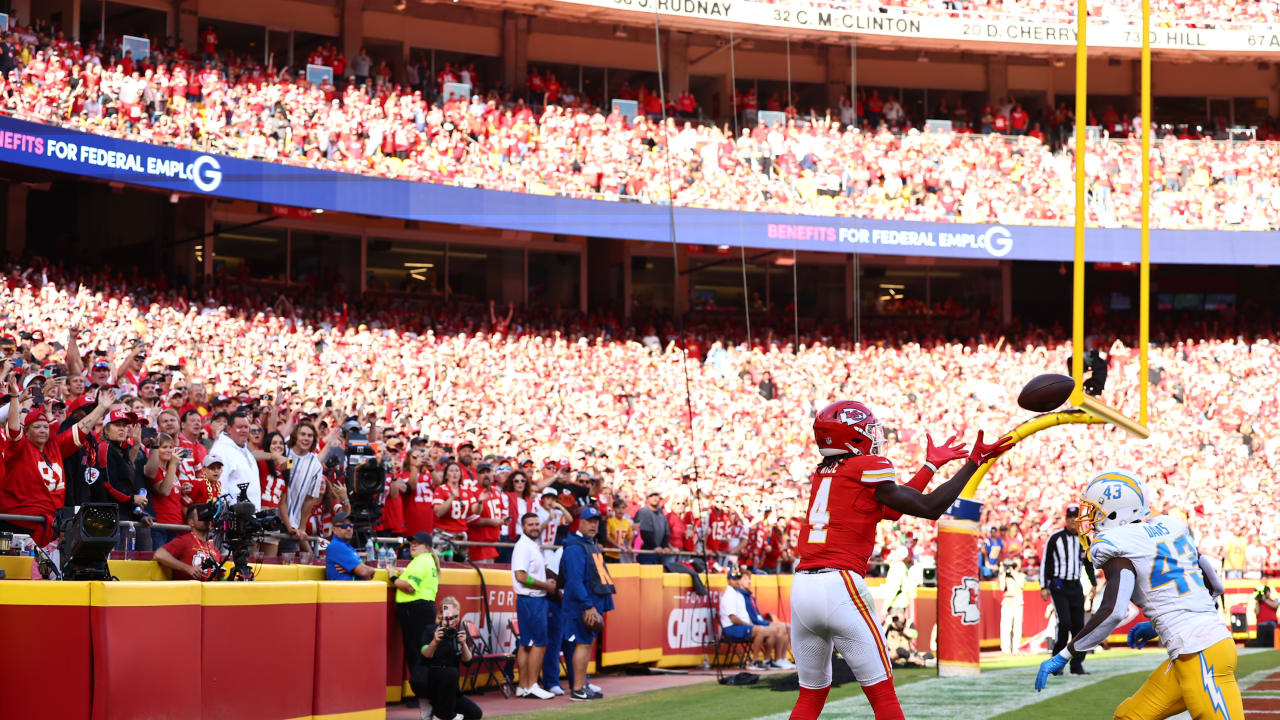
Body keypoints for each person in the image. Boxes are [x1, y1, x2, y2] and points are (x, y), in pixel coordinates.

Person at [788, 401, 1011, 720]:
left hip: (803, 587)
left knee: (810, 696)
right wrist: (973, 462)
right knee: (883, 695)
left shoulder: (824, 475)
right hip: (839, 586)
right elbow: (930, 507)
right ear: (854, 436)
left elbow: (892, 508)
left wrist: (931, 467)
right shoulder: (865, 467)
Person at [1035, 469, 1244, 720]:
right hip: (1200, 648)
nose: (1089, 519)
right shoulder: (1171, 526)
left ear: (1115, 511)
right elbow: (1214, 586)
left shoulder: (1117, 544)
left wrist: (1065, 654)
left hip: (1200, 653)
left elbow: (1113, 612)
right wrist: (1160, 623)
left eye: (1095, 511)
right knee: (1130, 716)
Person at [559, 506, 614, 701]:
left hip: (591, 602)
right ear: (579, 522)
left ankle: (583, 686)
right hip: (581, 605)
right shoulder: (576, 548)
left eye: (596, 521)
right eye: (589, 521)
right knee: (582, 645)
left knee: (586, 645)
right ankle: (577, 689)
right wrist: (587, 605)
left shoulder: (589, 544)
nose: (593, 524)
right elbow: (573, 581)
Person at [1039, 504, 1098, 675]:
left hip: (1075, 585)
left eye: (1076, 517)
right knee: (1064, 623)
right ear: (1066, 519)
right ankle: (1056, 664)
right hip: (1059, 586)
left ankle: (1077, 664)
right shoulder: (1055, 538)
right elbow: (1046, 563)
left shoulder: (1084, 539)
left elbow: (1089, 564)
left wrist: (1093, 584)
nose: (1073, 520)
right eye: (1070, 517)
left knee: (1079, 628)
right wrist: (1044, 586)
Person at [411, 596, 482, 720]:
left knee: (475, 713)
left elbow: (468, 662)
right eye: (449, 617)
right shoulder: (430, 631)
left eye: (456, 616)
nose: (453, 620)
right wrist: (435, 641)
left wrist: (464, 644)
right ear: (440, 615)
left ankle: (441, 714)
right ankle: (441, 714)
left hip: (450, 688)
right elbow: (425, 656)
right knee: (451, 673)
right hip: (429, 682)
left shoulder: (458, 634)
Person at [512, 512, 557, 699]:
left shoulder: (531, 545)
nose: (535, 527)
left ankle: (523, 685)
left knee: (526, 644)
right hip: (531, 599)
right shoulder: (523, 546)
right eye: (530, 524)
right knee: (538, 643)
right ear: (523, 527)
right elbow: (521, 576)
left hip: (531, 600)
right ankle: (532, 684)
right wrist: (546, 585)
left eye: (537, 524)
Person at [393, 531, 441, 689]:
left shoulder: (421, 561)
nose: (412, 545)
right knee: (422, 651)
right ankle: (426, 691)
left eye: (417, 543)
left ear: (427, 547)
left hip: (415, 610)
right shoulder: (426, 561)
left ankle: (422, 691)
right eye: (411, 542)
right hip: (422, 609)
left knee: (415, 653)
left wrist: (393, 578)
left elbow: (410, 587)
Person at [720, 567, 783, 669]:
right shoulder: (729, 595)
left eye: (738, 578)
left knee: (770, 631)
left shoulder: (738, 595)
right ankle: (755, 661)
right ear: (729, 581)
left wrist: (750, 624)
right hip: (730, 628)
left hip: (740, 626)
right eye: (734, 579)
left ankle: (767, 661)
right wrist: (750, 625)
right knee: (759, 630)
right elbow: (733, 618)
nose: (736, 581)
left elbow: (744, 615)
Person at [153, 501, 223, 580]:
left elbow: (221, 577)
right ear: (191, 522)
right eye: (201, 514)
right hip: (188, 590)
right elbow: (159, 554)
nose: (205, 518)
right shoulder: (184, 541)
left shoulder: (214, 547)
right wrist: (188, 568)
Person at [325, 511, 376, 581]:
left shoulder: (348, 547)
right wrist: (371, 570)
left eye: (351, 525)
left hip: (353, 590)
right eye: (344, 526)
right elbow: (364, 572)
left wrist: (352, 570)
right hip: (343, 591)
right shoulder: (337, 546)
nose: (349, 528)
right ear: (334, 529)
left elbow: (367, 576)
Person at [633, 489, 670, 565]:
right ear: (647, 499)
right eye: (652, 496)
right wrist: (654, 546)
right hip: (646, 551)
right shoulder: (644, 511)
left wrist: (665, 546)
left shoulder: (661, 513)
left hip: (658, 551)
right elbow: (644, 532)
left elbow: (666, 533)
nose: (655, 498)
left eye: (656, 496)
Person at [1000, 558, 1027, 654]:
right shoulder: (1005, 576)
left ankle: (1016, 648)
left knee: (1017, 628)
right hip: (1007, 602)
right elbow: (1001, 587)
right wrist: (1003, 573)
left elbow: (1022, 585)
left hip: (1018, 603)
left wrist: (1013, 573)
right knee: (1006, 627)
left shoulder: (1021, 575)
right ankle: (1005, 649)